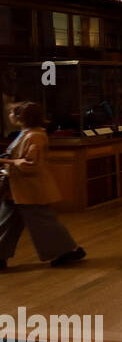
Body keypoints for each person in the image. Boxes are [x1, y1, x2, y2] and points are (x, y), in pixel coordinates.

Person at [0, 102, 86, 269]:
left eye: (12, 113)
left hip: (29, 189)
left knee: (43, 223)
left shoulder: (35, 136)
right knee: (7, 222)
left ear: (21, 117)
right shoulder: (28, 133)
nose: (10, 116)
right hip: (18, 189)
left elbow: (31, 164)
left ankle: (66, 251)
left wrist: (7, 160)